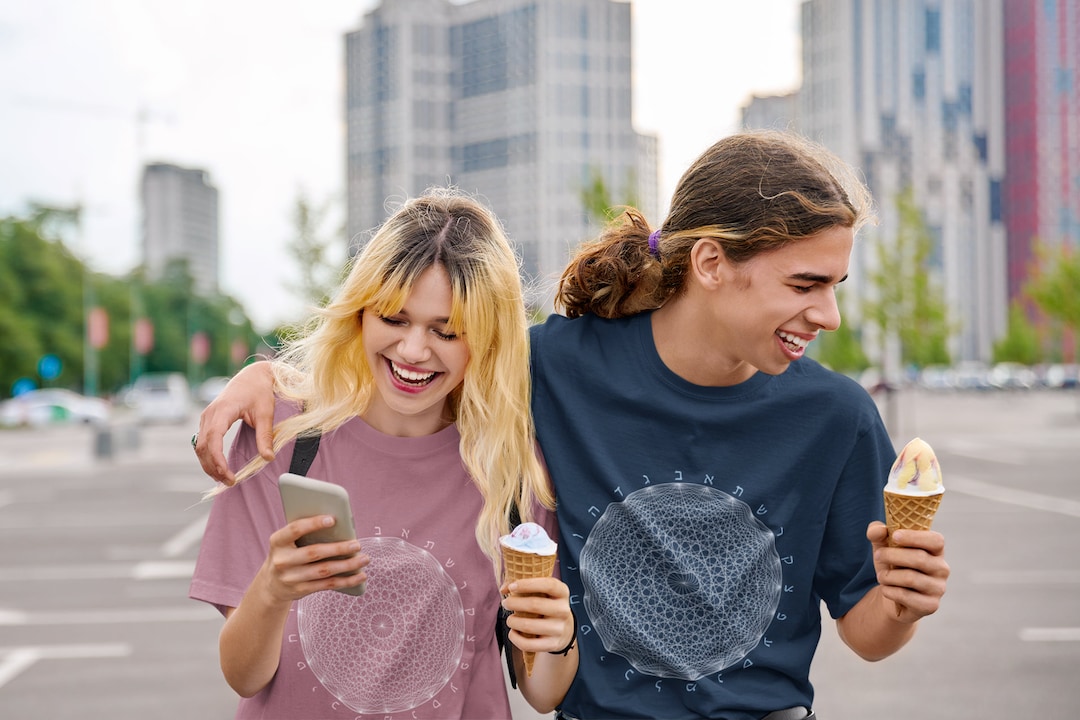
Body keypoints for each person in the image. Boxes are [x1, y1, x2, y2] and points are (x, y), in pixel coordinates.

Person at [195, 130, 950, 720]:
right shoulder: (551, 366)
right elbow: (418, 371)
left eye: (835, 284)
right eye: (806, 284)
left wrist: (902, 602)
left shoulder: (838, 417)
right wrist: (272, 377)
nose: (829, 313)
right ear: (713, 263)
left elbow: (868, 632)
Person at [189, 189, 578, 719]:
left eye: (447, 332)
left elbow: (542, 693)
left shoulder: (512, 469)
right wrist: (273, 590)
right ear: (360, 313)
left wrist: (558, 638)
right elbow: (243, 674)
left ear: (487, 341)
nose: (414, 351)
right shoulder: (277, 438)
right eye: (394, 320)